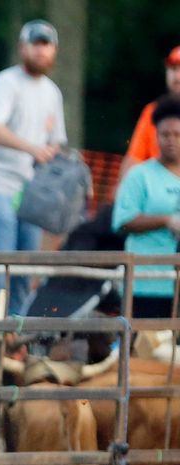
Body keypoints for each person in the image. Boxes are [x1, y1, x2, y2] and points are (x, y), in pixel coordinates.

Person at [0, 19, 67, 317]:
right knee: (0, 265)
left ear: (54, 51)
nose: (40, 51)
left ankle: (17, 333)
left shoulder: (52, 92)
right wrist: (32, 148)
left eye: (46, 45)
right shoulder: (6, 82)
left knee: (25, 270)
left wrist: (53, 156)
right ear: (22, 48)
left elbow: (56, 141)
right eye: (35, 44)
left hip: (32, 191)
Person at [112, 97, 180, 319]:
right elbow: (122, 221)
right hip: (147, 283)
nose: (171, 141)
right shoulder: (140, 175)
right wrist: (166, 221)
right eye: (165, 135)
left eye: (177, 134)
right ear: (156, 136)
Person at [121, 46, 180, 181]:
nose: (177, 77)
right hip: (157, 188)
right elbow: (134, 160)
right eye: (173, 69)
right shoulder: (152, 112)